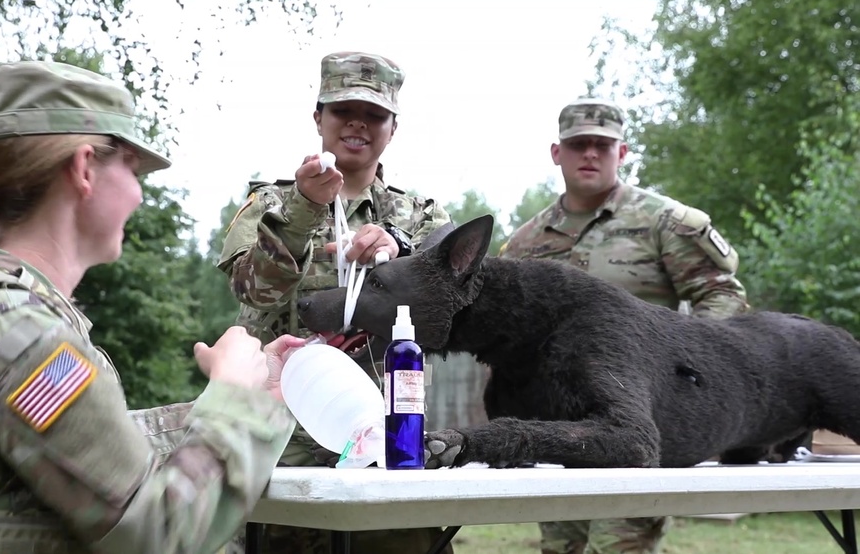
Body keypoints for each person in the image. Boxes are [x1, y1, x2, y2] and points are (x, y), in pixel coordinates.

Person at [0, 60, 303, 554]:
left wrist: (245, 398)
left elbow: (69, 455)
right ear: (84, 168)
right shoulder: (21, 333)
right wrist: (233, 401)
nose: (138, 193)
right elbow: (158, 532)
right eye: (132, 169)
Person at [218, 51, 454, 554]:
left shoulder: (422, 218)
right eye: (343, 109)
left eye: (373, 114)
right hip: (282, 441)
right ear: (318, 117)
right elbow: (250, 291)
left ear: (393, 127)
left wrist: (401, 252)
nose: (357, 123)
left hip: (387, 439)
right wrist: (303, 211)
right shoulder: (270, 206)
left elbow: (462, 306)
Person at [499, 97, 750, 554]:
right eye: (579, 144)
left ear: (623, 152)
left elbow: (722, 295)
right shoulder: (524, 242)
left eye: (603, 144)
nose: (590, 154)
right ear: (558, 153)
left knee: (619, 547)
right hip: (559, 427)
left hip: (638, 423)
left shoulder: (665, 223)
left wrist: (691, 370)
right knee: (560, 547)